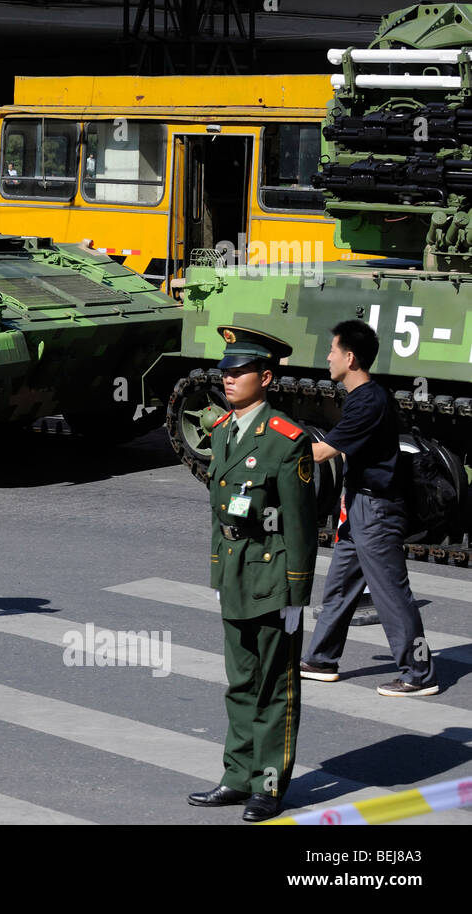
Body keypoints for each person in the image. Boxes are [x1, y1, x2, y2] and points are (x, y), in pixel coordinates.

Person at [188, 326, 317, 823]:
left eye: (239, 371)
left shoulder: (287, 440)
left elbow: (301, 523)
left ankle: (268, 785)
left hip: (271, 577)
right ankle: (236, 777)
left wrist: (296, 593)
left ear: (265, 377)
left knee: (275, 686)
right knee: (240, 682)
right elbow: (220, 511)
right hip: (236, 575)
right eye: (225, 370)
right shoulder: (222, 430)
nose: (229, 377)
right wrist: (219, 567)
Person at [301, 320, 437, 696]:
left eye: (333, 350)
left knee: (392, 594)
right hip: (360, 504)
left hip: (377, 510)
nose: (327, 357)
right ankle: (321, 659)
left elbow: (323, 451)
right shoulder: (363, 397)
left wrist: (268, 440)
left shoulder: (368, 402)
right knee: (340, 585)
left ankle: (419, 672)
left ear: (350, 357)